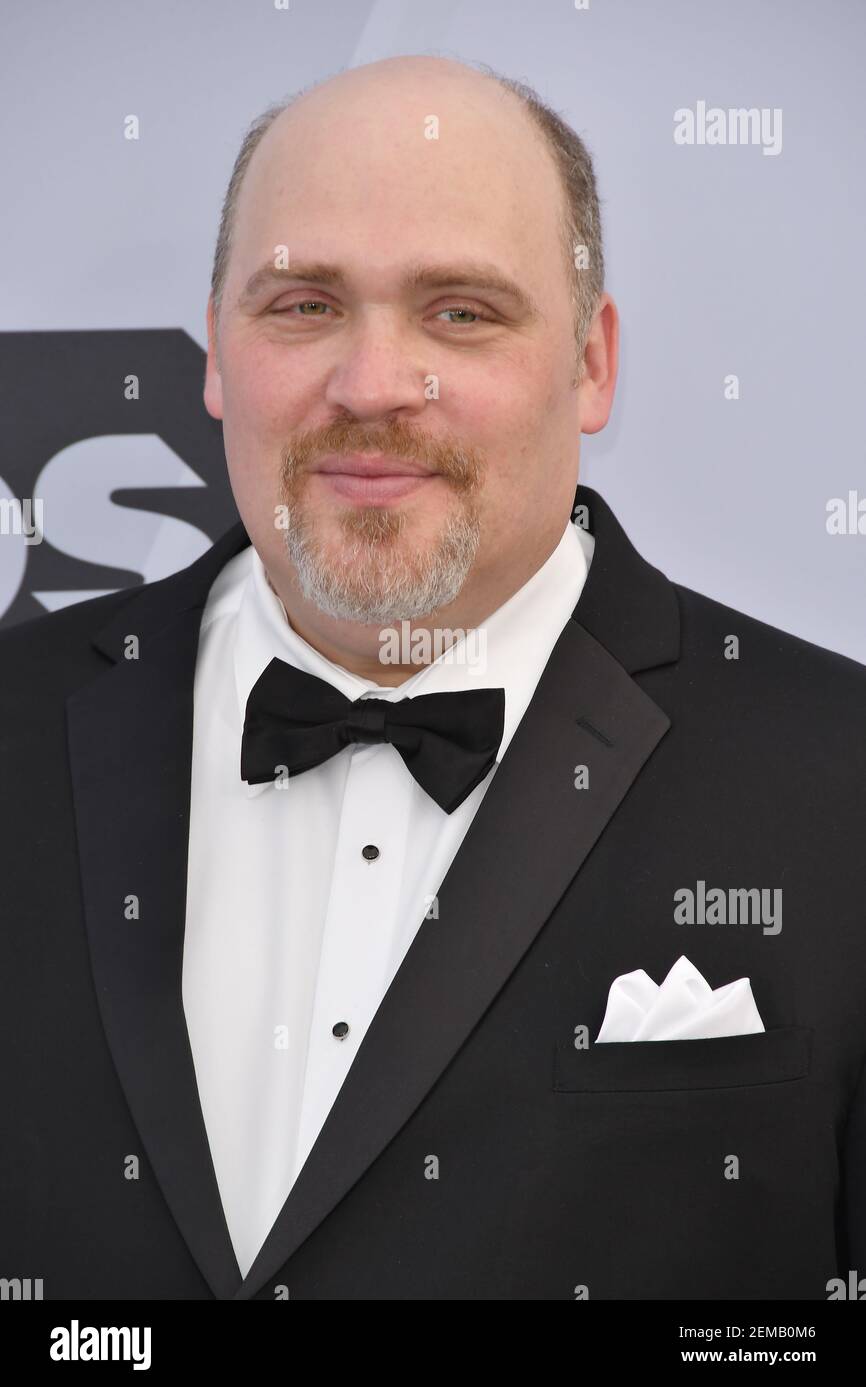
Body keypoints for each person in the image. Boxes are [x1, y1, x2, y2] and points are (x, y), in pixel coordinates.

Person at [1, 54, 865, 1302]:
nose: (369, 388)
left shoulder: (836, 783)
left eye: (459, 312)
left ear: (589, 363)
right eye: (302, 305)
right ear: (213, 354)